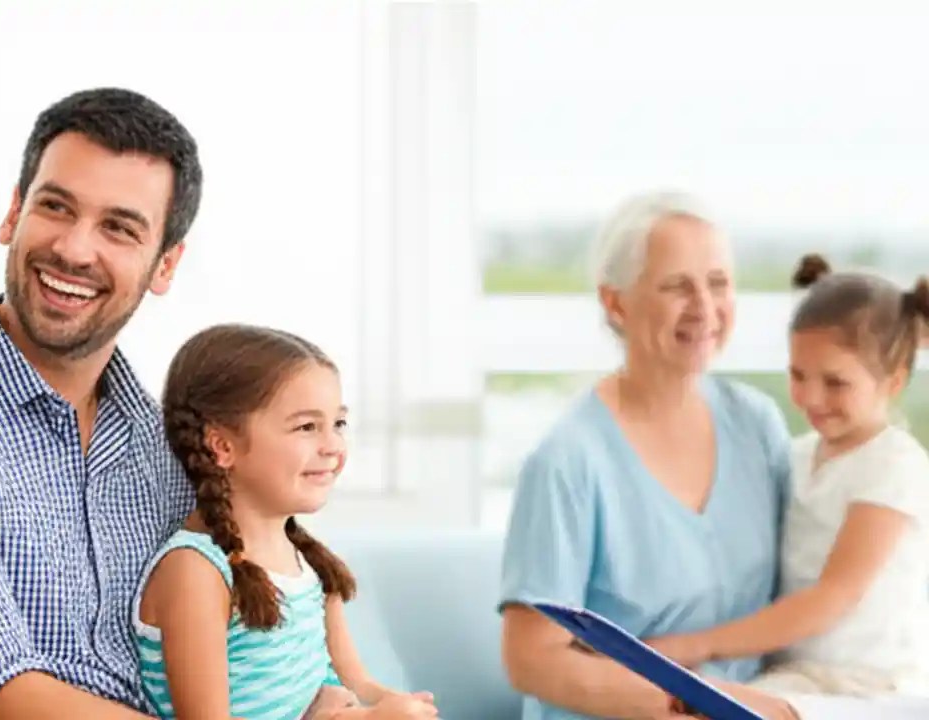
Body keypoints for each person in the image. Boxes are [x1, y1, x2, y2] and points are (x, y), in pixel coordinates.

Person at [0, 87, 202, 720]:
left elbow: (249, 640)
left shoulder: (170, 445)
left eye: (119, 228)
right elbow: (3, 699)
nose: (75, 250)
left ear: (165, 265)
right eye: (56, 207)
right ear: (13, 215)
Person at [496, 190, 800, 720]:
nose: (704, 309)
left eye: (719, 283)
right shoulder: (567, 461)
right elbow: (531, 660)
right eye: (677, 286)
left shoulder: (758, 424)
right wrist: (700, 707)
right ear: (616, 303)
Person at [645, 254, 929, 698]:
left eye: (836, 382)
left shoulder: (893, 467)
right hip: (794, 675)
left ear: (893, 382)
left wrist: (697, 645)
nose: (812, 398)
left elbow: (832, 597)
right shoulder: (794, 456)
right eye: (798, 375)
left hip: (868, 686)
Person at [133, 324, 439, 719]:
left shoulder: (309, 560)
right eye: (307, 427)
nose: (332, 446)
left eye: (338, 424)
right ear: (222, 445)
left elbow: (357, 684)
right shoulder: (196, 571)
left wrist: (399, 707)